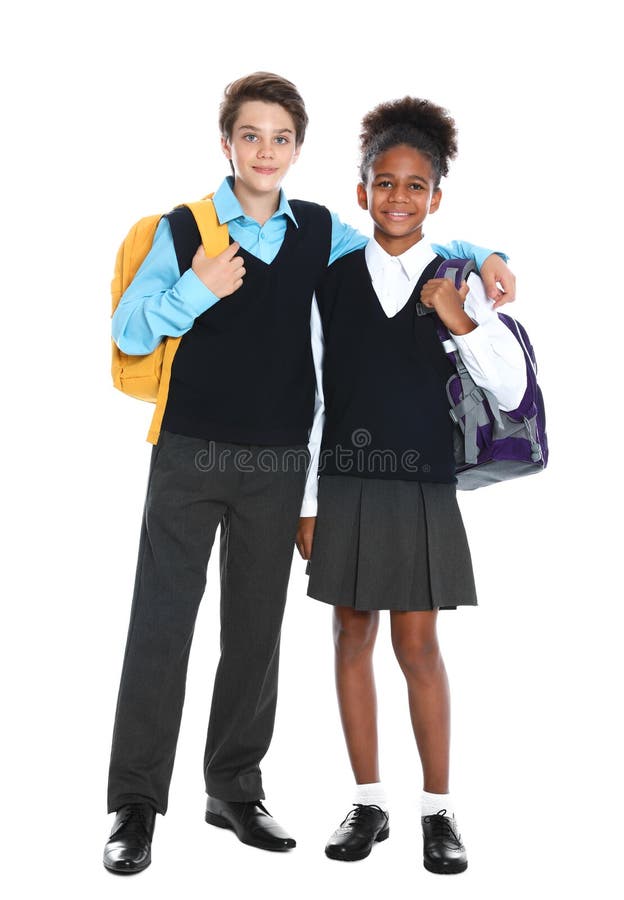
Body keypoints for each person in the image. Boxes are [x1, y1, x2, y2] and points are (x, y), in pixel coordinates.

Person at [104, 72, 516, 874]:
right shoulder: (181, 229)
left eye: (281, 138)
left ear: (298, 150)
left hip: (281, 461)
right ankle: (133, 806)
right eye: (251, 136)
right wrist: (195, 287)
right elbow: (126, 328)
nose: (265, 151)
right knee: (161, 630)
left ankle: (233, 788)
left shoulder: (321, 231)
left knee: (254, 637)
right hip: (191, 452)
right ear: (227, 144)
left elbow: (406, 234)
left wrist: (488, 253)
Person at [297, 96, 528, 874]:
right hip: (348, 483)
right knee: (351, 634)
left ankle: (438, 809)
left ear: (437, 197)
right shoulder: (330, 283)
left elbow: (508, 387)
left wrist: (459, 318)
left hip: (422, 482)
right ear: (362, 191)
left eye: (415, 186)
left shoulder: (457, 278)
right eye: (384, 183)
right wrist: (308, 503)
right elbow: (319, 399)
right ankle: (368, 800)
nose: (399, 198)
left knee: (419, 645)